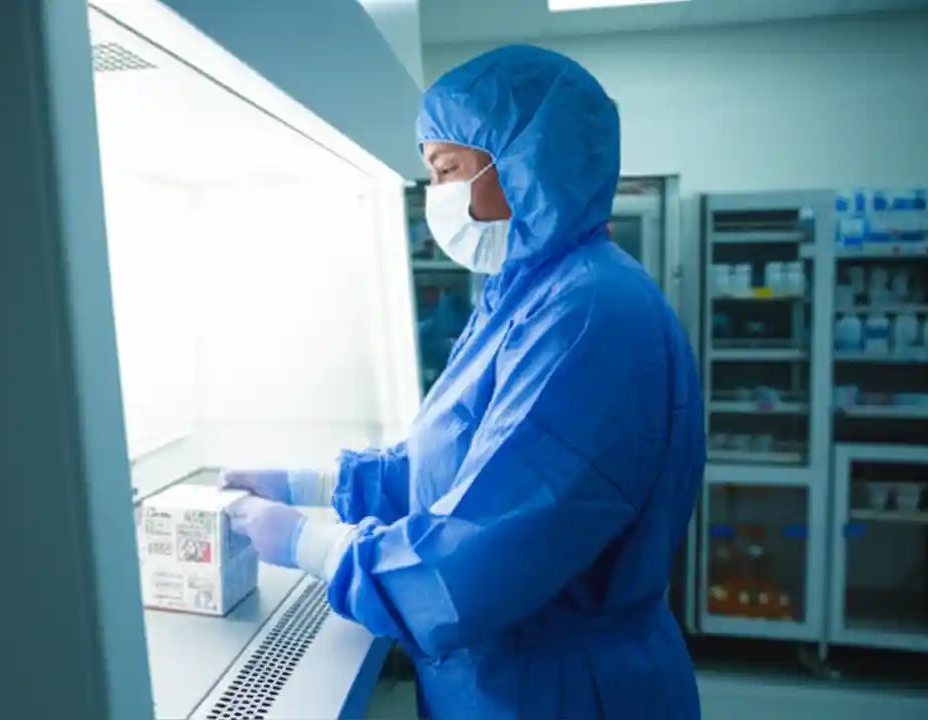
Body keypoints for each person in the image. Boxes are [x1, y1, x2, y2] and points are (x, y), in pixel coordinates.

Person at [224, 45, 704, 719]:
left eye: (446, 170)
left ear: (524, 162)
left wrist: (306, 542)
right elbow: (449, 467)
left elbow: (474, 563)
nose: (436, 199)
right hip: (512, 679)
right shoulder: (523, 294)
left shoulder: (589, 313)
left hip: (566, 695)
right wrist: (309, 486)